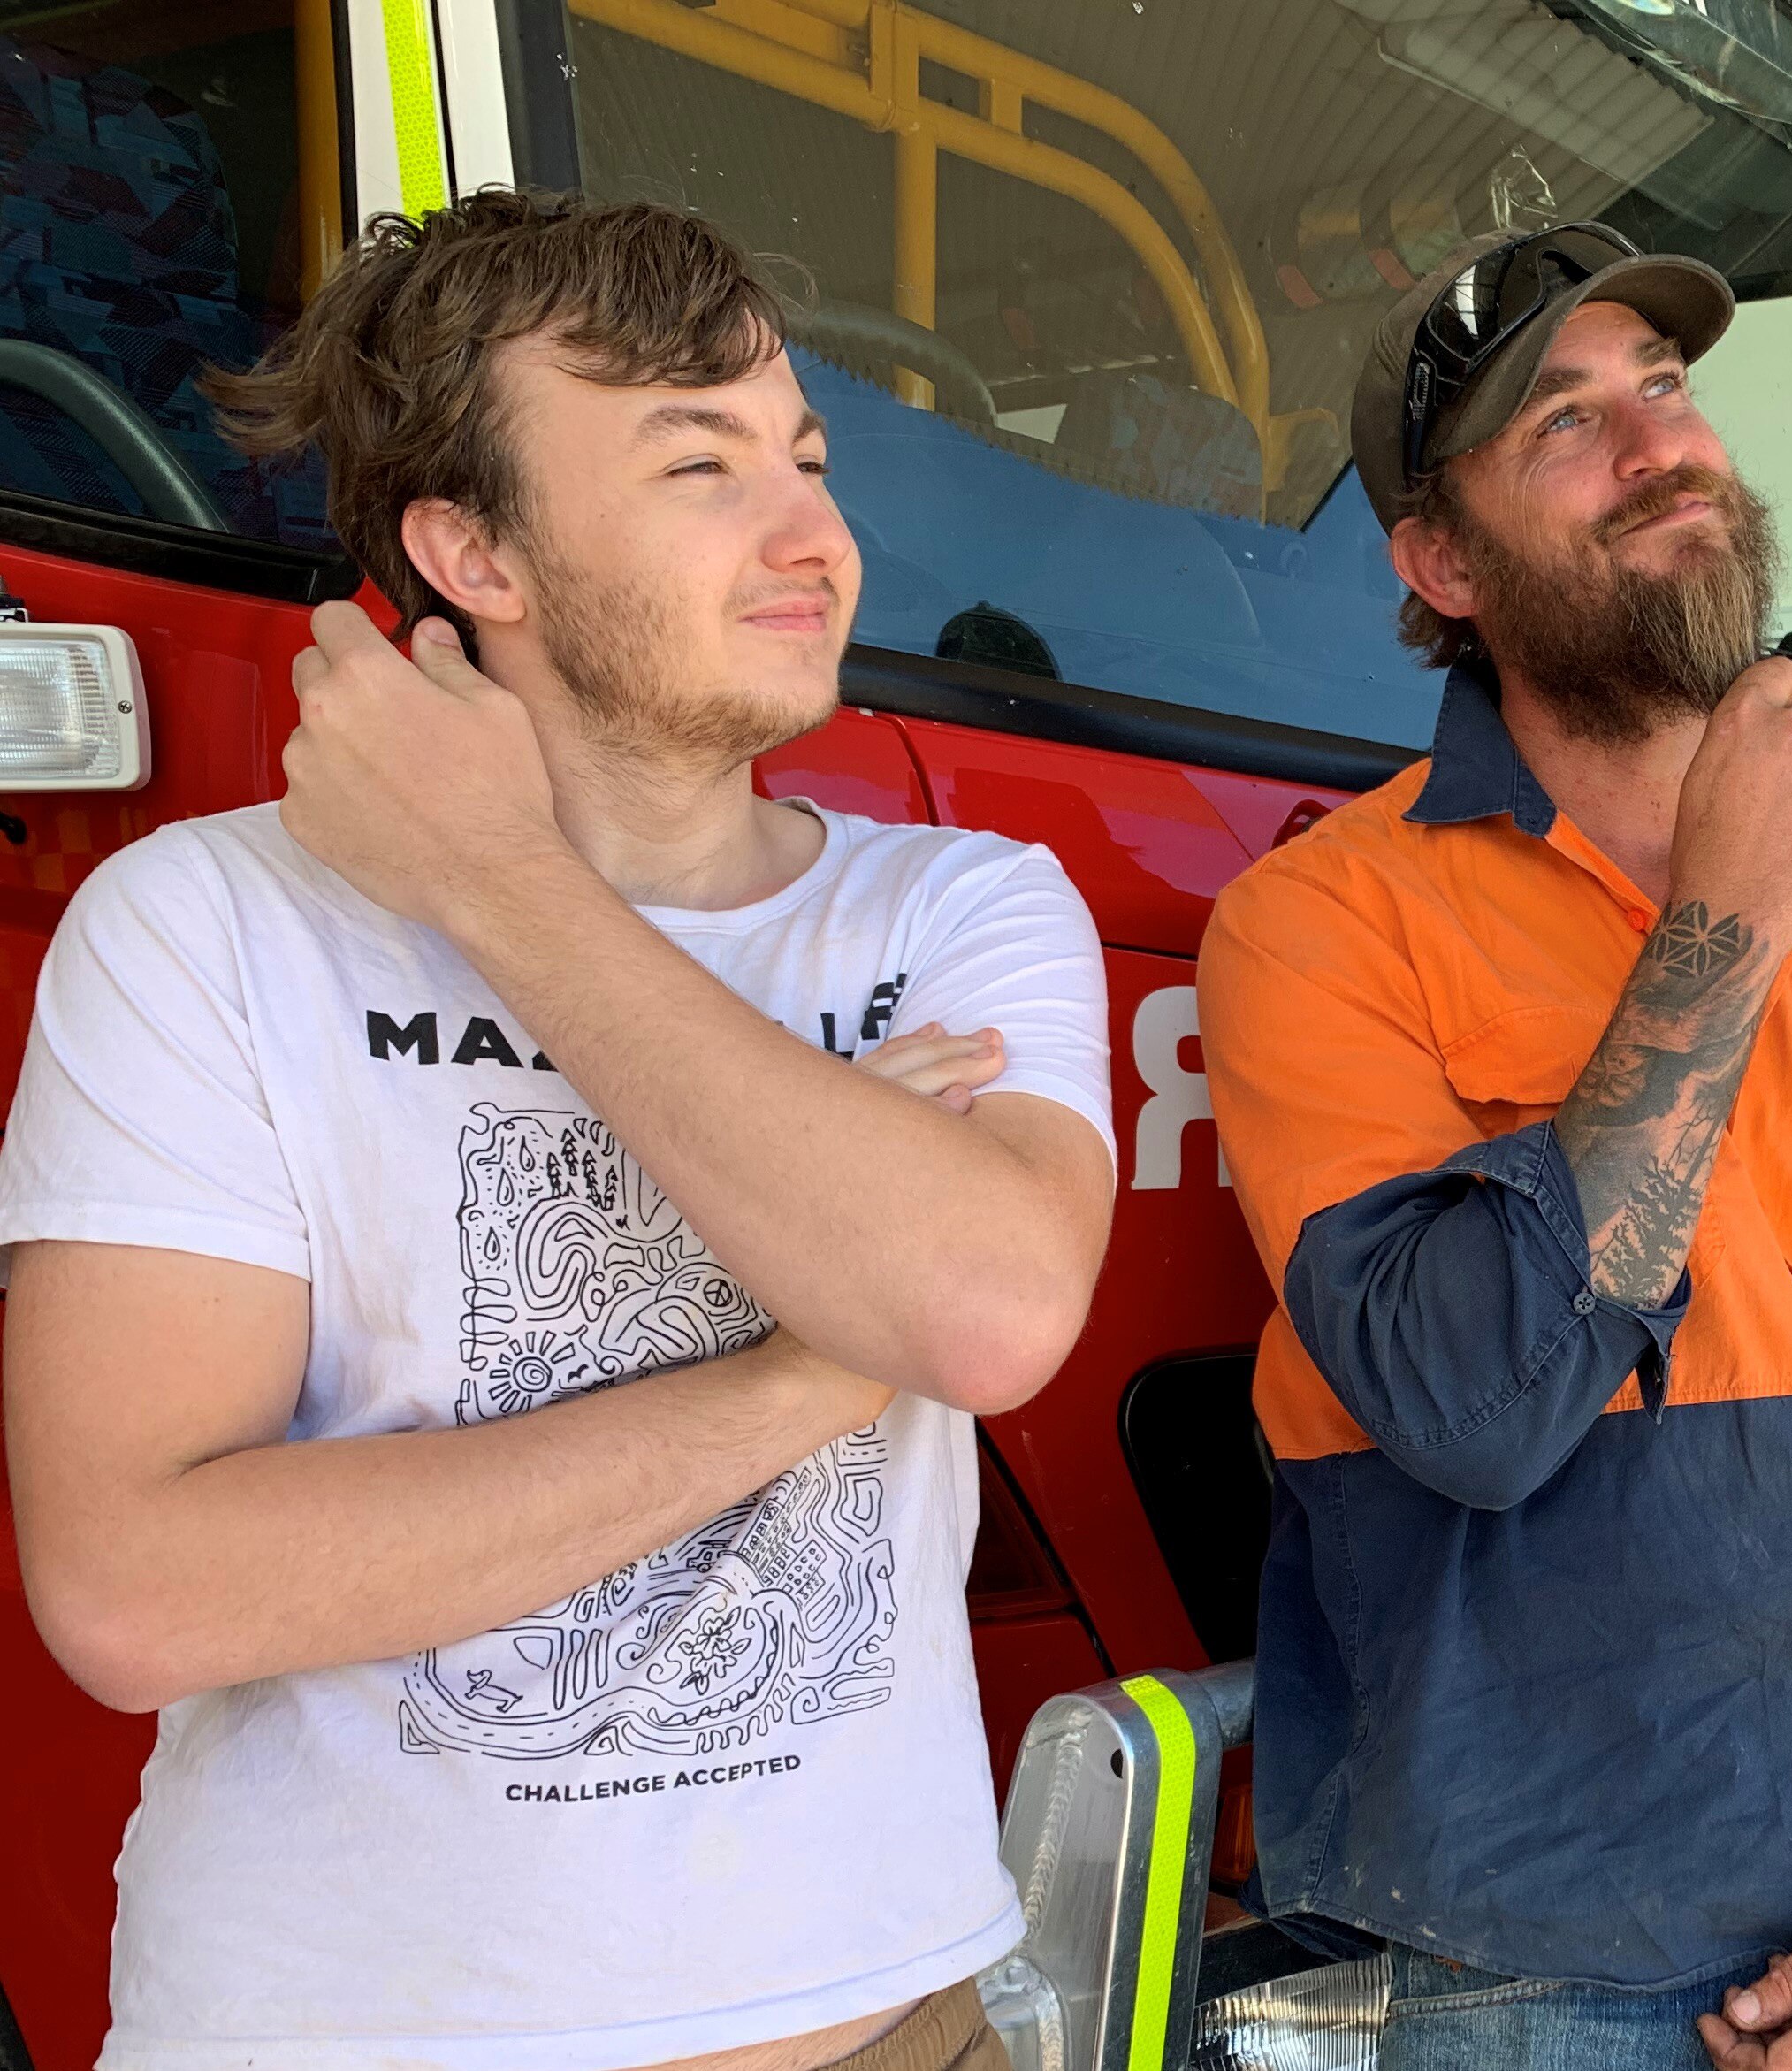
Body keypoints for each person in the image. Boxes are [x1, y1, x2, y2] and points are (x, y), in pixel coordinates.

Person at [0, 193, 1117, 2071]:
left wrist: (500, 884)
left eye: (809, 456)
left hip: (895, 2033)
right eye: (701, 464)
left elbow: (989, 1313)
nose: (813, 533)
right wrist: (800, 1375)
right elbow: (136, 1586)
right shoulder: (206, 922)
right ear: (471, 548)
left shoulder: (958, 905)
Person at [1197, 223, 1792, 2071]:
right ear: (1440, 558)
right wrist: (1720, 926)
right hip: (1534, 1969)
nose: (1660, 444)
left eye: (1665, 389)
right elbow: (1474, 1404)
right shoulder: (1321, 927)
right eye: (1564, 420)